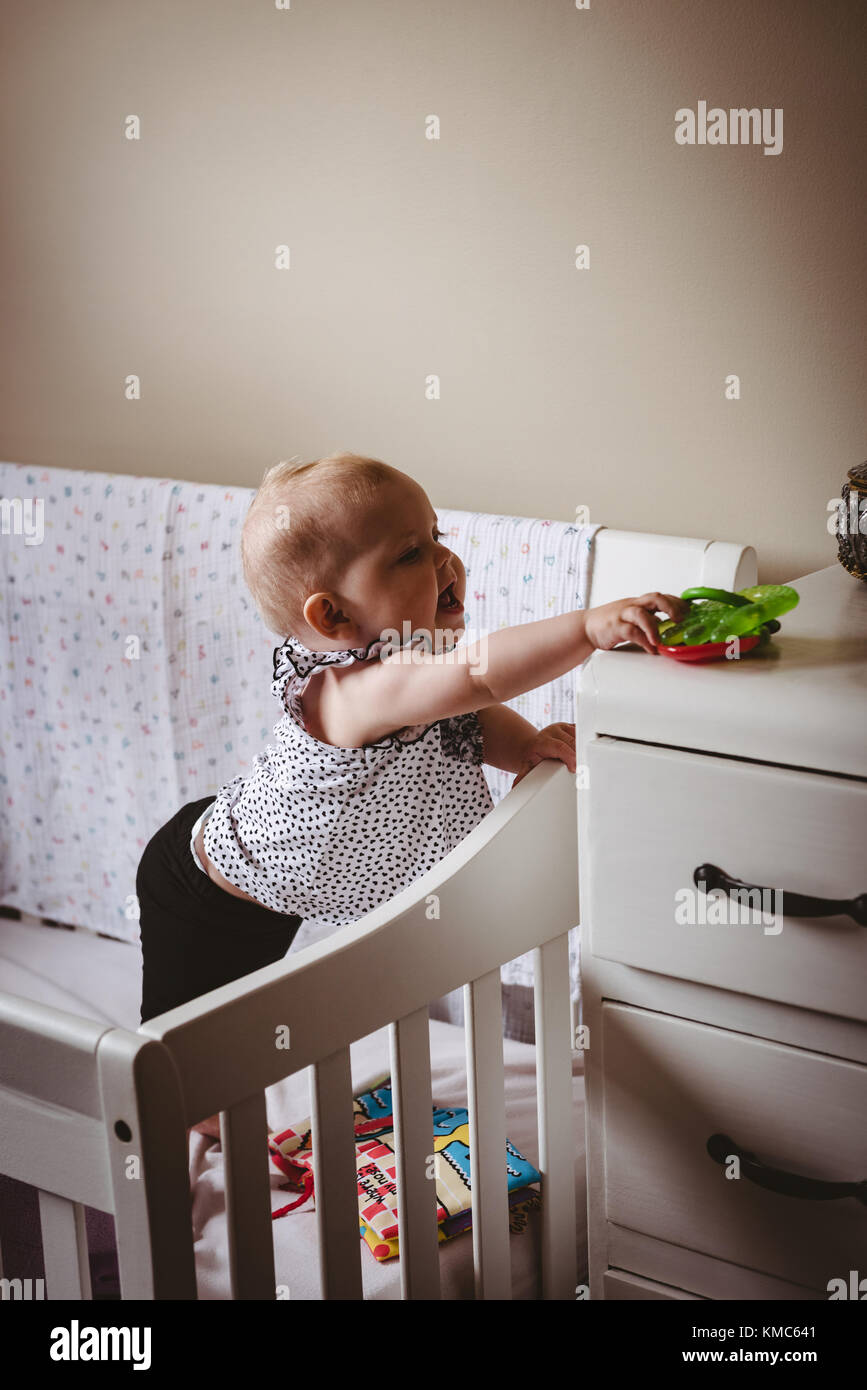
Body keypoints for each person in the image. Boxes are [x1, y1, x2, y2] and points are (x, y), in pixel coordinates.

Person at [136, 451, 687, 1137]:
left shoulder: (413, 674)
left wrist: (523, 749)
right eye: (409, 554)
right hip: (209, 891)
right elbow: (478, 680)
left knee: (235, 1039)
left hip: (283, 889)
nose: (444, 562)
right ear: (333, 616)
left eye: (438, 538)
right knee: (183, 1056)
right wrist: (585, 628)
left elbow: (466, 713)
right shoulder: (352, 690)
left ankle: (205, 1120)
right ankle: (166, 1142)